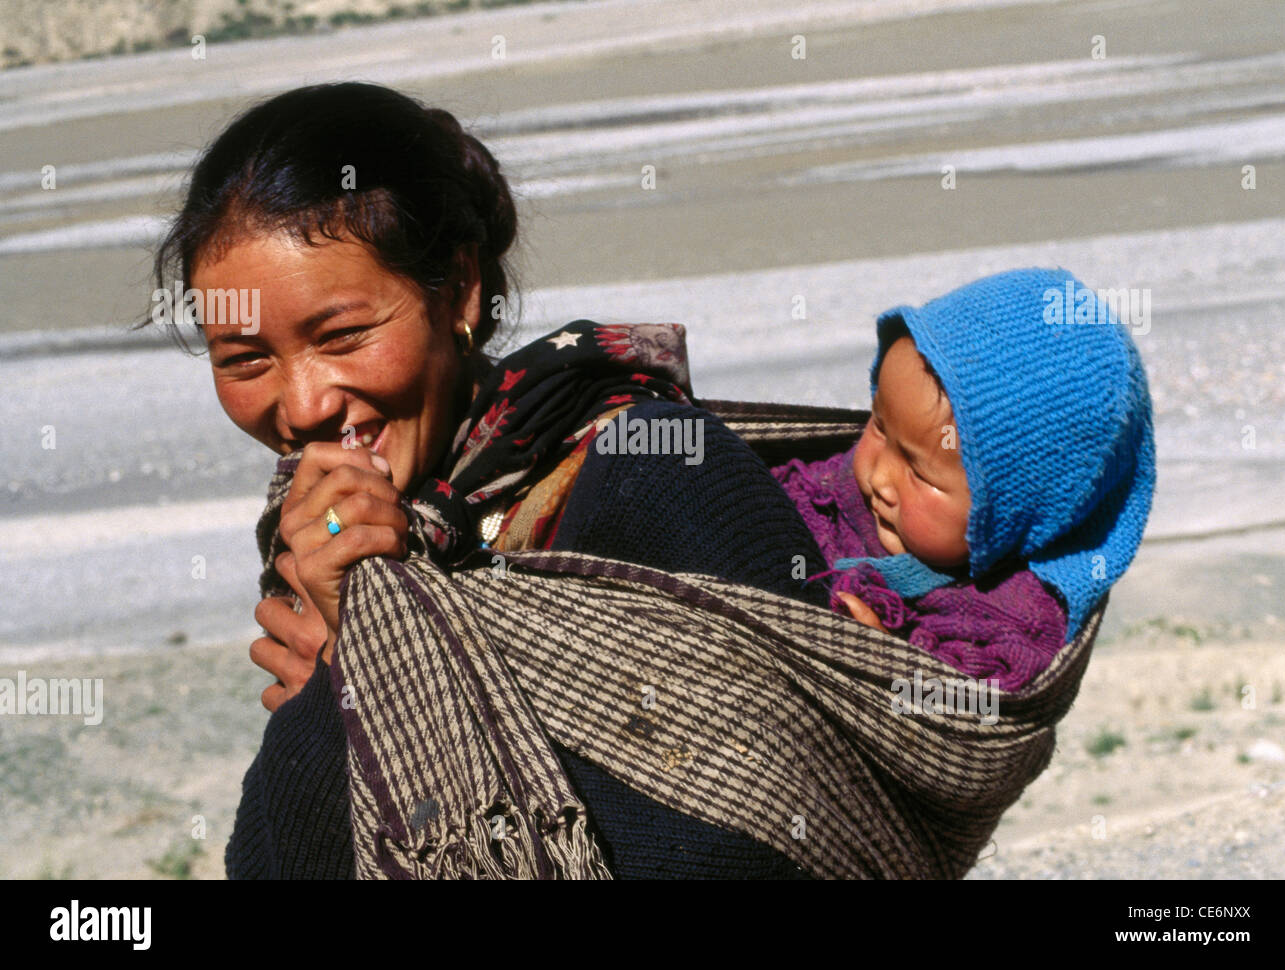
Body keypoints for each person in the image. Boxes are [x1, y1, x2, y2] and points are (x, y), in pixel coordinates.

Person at [150, 81, 829, 878]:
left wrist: (375, 675)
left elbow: (763, 830)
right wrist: (348, 675)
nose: (303, 405)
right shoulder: (363, 531)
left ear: (459, 290)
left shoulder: (652, 471)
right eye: (246, 360)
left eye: (342, 336)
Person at [775, 269, 1157, 693]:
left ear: (1011, 516)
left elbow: (972, 720)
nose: (879, 476)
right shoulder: (837, 481)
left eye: (920, 474)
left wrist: (887, 666)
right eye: (880, 426)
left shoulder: (1015, 618)